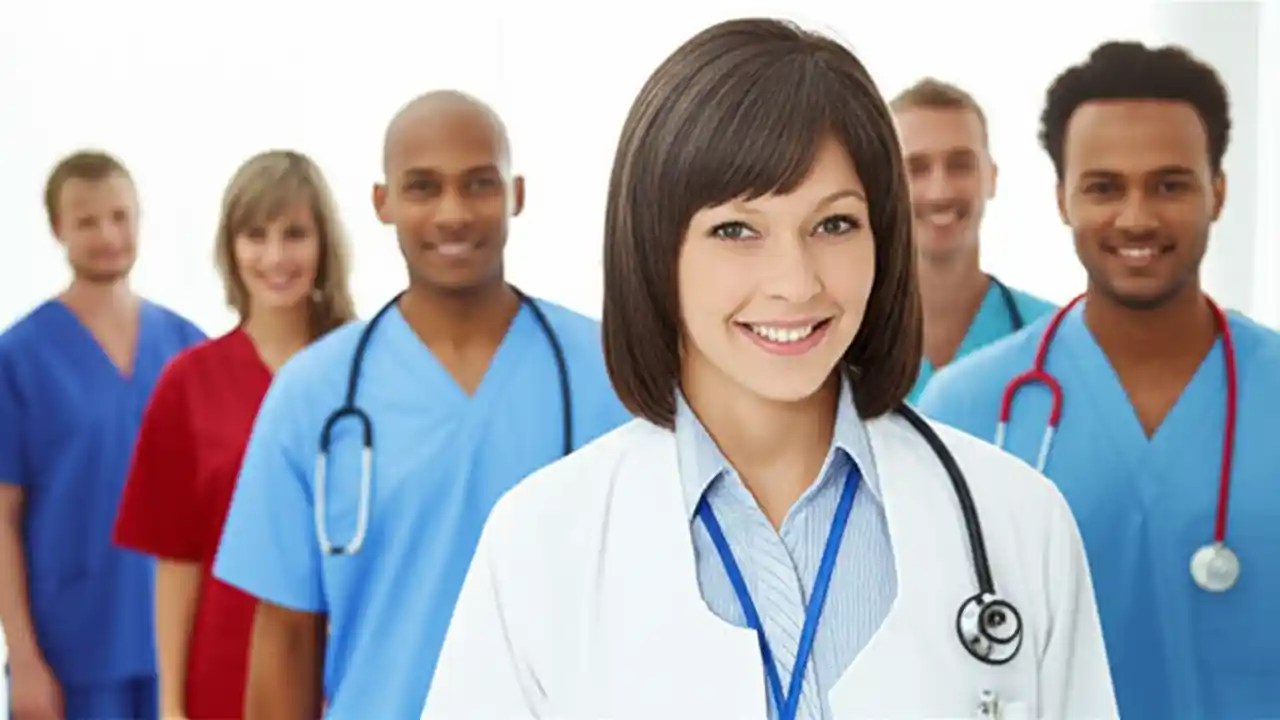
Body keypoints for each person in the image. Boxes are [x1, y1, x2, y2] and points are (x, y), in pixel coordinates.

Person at [421, 18, 1117, 720]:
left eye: (835, 224)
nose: (796, 281)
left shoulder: (1018, 523)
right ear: (655, 251)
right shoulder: (541, 541)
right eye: (736, 230)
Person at [210, 91, 633, 719]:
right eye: (423, 187)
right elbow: (287, 638)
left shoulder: (610, 375)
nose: (453, 213)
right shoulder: (312, 396)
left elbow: (653, 604)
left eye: (479, 184)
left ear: (516, 193)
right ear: (383, 203)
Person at [918, 41, 1280, 720]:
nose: (1136, 217)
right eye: (1104, 186)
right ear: (1062, 198)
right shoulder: (966, 409)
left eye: (1169, 184)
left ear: (1219, 191)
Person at [111, 150, 358, 720]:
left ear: (324, 244)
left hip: (353, 672)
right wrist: (171, 707)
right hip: (226, 681)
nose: (275, 256)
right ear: (230, 247)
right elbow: (177, 563)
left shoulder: (368, 370)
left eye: (294, 234)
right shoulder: (187, 383)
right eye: (255, 235)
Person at [0, 151, 205, 720]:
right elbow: (2, 518)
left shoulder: (187, 347)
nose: (108, 235)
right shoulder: (18, 357)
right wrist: (25, 658)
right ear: (57, 229)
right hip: (70, 655)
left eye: (120, 216)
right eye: (87, 221)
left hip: (174, 647)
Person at [888, 78, 1056, 403]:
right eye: (916, 168)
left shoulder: (1053, 337)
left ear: (991, 178)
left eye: (960, 165)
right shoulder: (846, 342)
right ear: (884, 182)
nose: (940, 192)